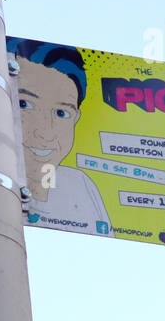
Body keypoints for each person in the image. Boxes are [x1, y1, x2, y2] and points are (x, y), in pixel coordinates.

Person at [7, 37, 113, 236]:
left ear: (76, 119)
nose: (45, 132)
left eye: (61, 113)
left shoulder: (79, 186)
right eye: (25, 104)